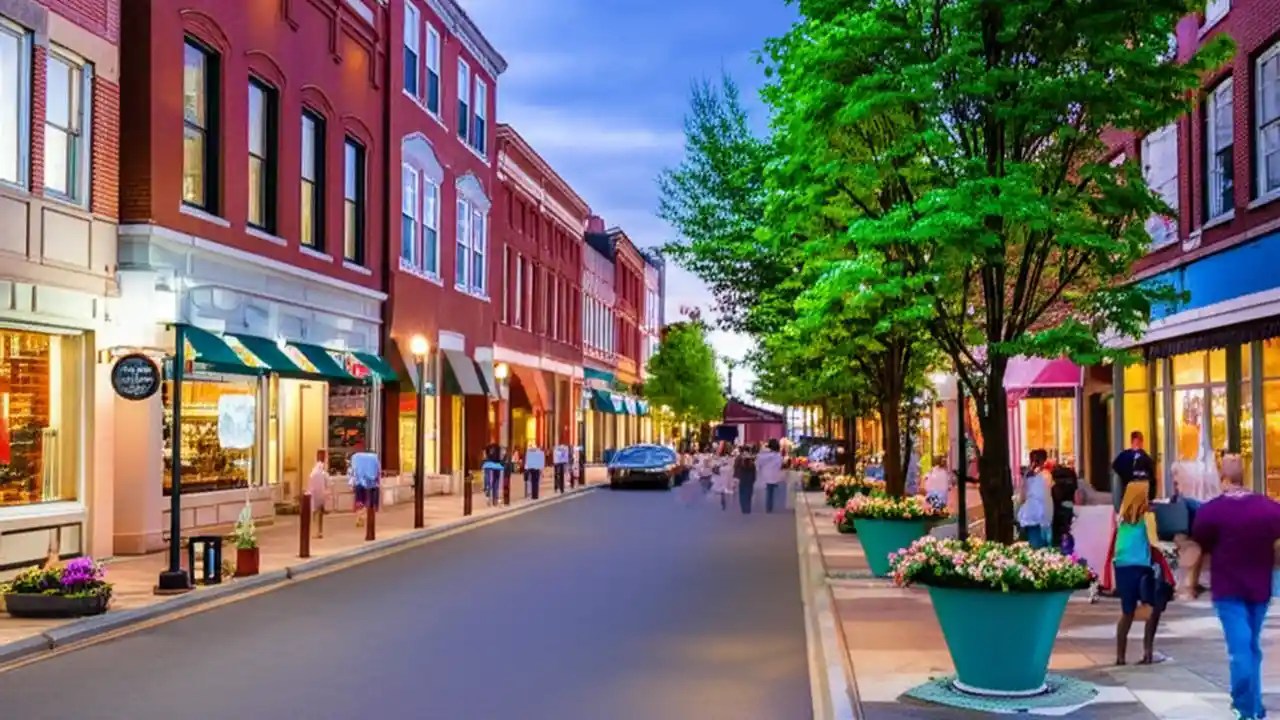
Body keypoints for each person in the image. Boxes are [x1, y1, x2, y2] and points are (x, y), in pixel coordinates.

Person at [1190, 454, 1280, 720]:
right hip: (1259, 587)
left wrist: (1192, 583)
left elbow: (1200, 550)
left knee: (1240, 649)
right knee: (1250, 645)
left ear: (1222, 477)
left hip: (1228, 588)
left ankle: (1245, 706)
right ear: (1245, 475)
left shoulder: (1211, 512)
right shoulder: (1269, 508)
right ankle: (1254, 706)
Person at [1112, 480, 1168, 666]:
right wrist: (1169, 550)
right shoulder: (1147, 517)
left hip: (1121, 567)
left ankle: (1120, 656)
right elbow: (1153, 541)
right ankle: (1148, 652)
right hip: (1142, 568)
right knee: (1152, 609)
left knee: (1127, 611)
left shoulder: (1121, 520)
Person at [1018, 449, 1053, 548]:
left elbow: (1024, 496)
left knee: (1039, 544)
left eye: (1036, 460)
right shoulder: (1037, 476)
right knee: (1039, 544)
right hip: (1035, 516)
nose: (1034, 463)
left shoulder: (1044, 476)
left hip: (1038, 515)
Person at [1113, 430, 1157, 501]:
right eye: (1136, 443)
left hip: (1139, 490)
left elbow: (1152, 479)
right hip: (1131, 488)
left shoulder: (1147, 459)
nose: (1137, 445)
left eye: (1139, 443)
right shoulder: (1124, 456)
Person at [1050, 464, 1080, 550]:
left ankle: (1057, 551)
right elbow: (1075, 494)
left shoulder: (1053, 476)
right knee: (1067, 529)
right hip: (1068, 505)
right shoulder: (1071, 475)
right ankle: (1068, 551)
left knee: (1056, 533)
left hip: (1056, 507)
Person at [757, 439, 785, 513]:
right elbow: (780, 465)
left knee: (769, 491)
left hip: (766, 475)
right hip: (775, 475)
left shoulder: (764, 454)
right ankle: (770, 506)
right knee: (771, 491)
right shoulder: (778, 456)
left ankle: (769, 507)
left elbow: (759, 463)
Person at [307, 449, 330, 539]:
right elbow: (327, 481)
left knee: (315, 513)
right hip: (320, 493)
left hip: (315, 493)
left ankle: (317, 531)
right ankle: (319, 531)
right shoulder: (321, 469)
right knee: (319, 514)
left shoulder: (315, 469)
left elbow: (312, 481)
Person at [735, 445, 759, 514]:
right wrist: (754, 479)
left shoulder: (739, 458)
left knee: (742, 494)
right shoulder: (752, 460)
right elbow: (754, 471)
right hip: (750, 480)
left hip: (742, 479)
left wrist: (736, 476)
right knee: (748, 495)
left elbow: (736, 467)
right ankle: (748, 508)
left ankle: (743, 508)